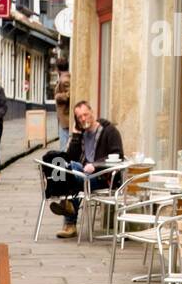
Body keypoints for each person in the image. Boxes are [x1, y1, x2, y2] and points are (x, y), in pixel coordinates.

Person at [41, 100, 124, 239]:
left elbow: (118, 156)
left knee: (71, 176)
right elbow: (70, 157)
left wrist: (96, 165)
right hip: (83, 175)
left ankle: (68, 218)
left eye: (85, 114)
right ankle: (67, 208)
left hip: (102, 177)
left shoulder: (109, 131)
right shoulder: (81, 133)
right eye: (79, 117)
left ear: (92, 112)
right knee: (69, 167)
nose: (83, 119)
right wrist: (75, 136)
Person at [54, 62, 71, 149]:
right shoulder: (63, 78)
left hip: (65, 117)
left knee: (64, 146)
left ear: (58, 69)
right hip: (63, 117)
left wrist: (58, 96)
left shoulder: (65, 80)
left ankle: (64, 162)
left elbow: (70, 94)